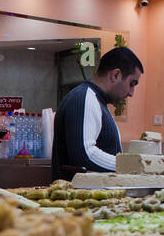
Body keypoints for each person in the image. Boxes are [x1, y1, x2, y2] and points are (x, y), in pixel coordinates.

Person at [51, 47, 143, 182]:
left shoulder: (97, 101)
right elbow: (85, 156)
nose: (131, 93)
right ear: (116, 75)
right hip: (80, 200)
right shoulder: (84, 98)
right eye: (132, 83)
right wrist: (133, 166)